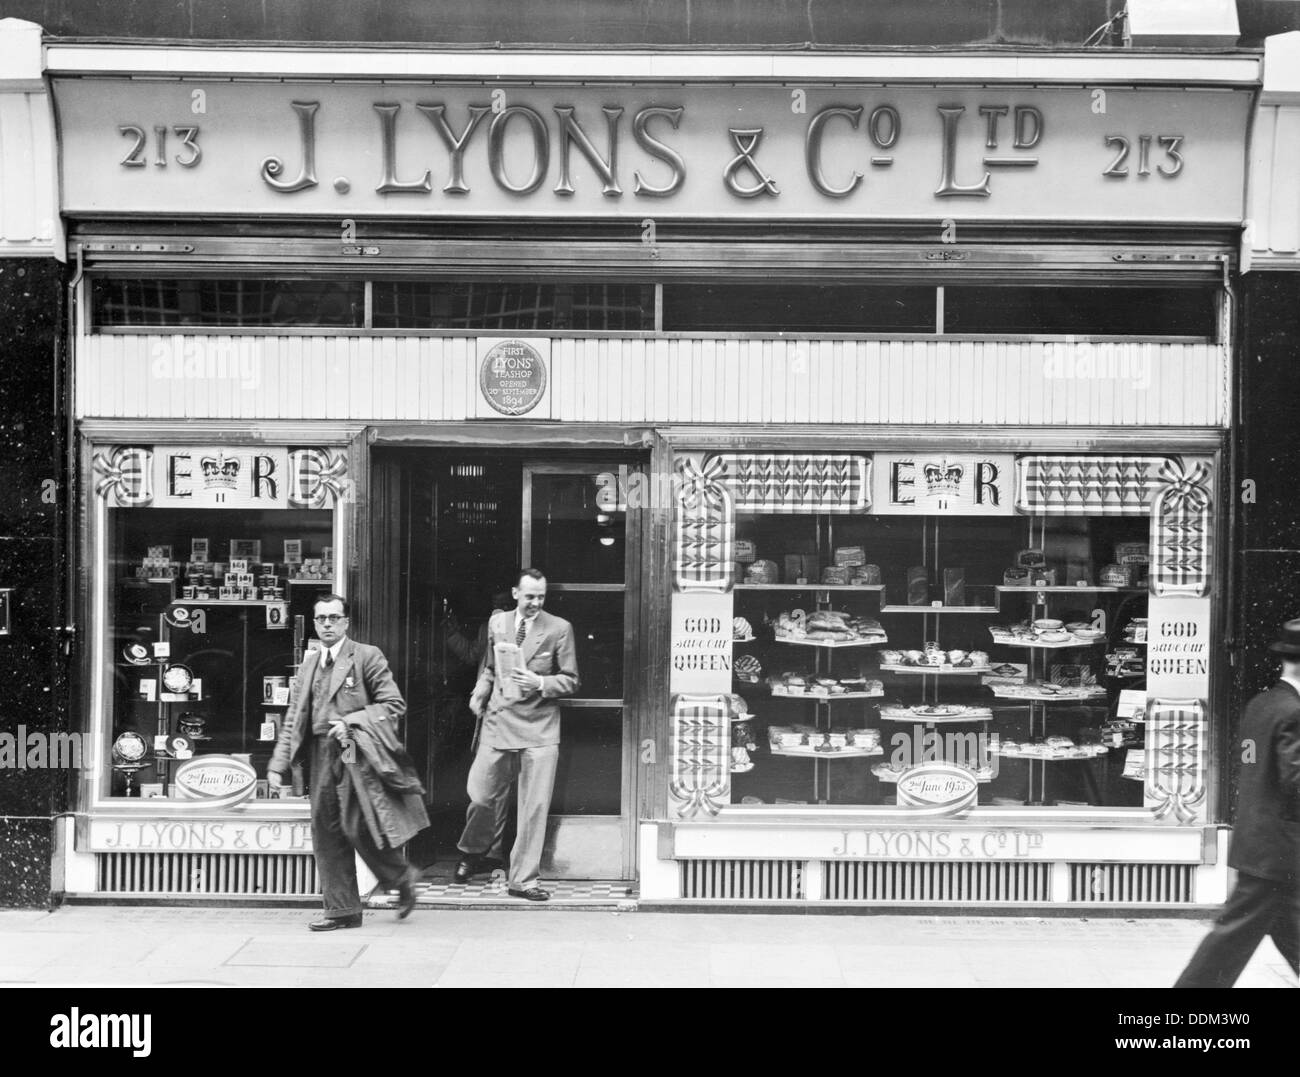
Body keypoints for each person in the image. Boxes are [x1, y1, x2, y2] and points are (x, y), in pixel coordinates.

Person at [268, 594, 425, 931]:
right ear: (314, 623)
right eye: (321, 618)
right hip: (319, 753)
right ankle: (343, 911)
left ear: (346, 622)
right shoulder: (309, 665)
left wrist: (352, 721)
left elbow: (393, 704)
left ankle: (400, 878)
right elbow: (294, 716)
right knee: (325, 829)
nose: (327, 624)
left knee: (356, 825)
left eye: (333, 618)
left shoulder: (366, 656)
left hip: (354, 750)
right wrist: (278, 764)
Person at [1173, 617, 1300, 987]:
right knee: (1230, 939)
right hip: (1278, 851)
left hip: (1262, 845)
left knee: (1280, 931)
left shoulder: (1262, 703)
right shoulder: (1294, 712)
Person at [454, 569, 579, 901]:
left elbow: (571, 679)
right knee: (481, 795)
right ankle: (474, 849)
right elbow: (491, 667)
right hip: (498, 722)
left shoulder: (560, 628)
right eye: (529, 596)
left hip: (539, 728)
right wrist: (480, 691)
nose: (535, 602)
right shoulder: (498, 624)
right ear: (514, 594)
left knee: (533, 807)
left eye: (541, 596)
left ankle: (522, 880)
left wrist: (540, 683)